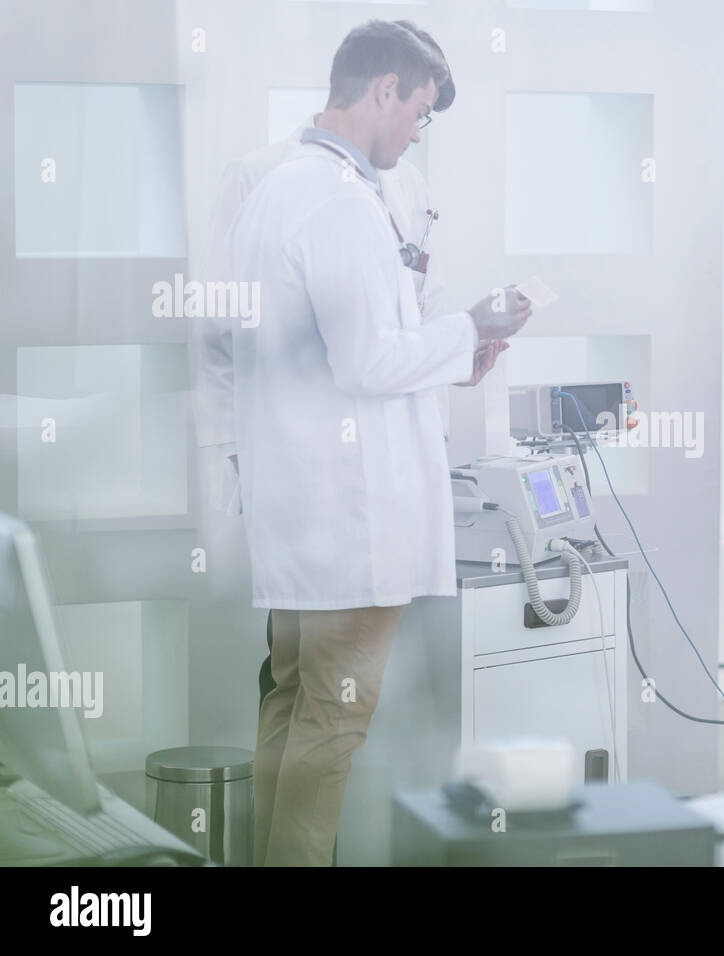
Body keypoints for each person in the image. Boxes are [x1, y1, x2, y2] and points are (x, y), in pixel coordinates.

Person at [226, 20, 531, 866]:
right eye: (420, 112)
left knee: (294, 713)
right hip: (348, 529)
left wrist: (453, 360)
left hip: (302, 524)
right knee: (330, 731)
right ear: (384, 90)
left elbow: (345, 355)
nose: (417, 132)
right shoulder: (335, 200)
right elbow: (366, 361)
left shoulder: (279, 191)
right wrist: (471, 325)